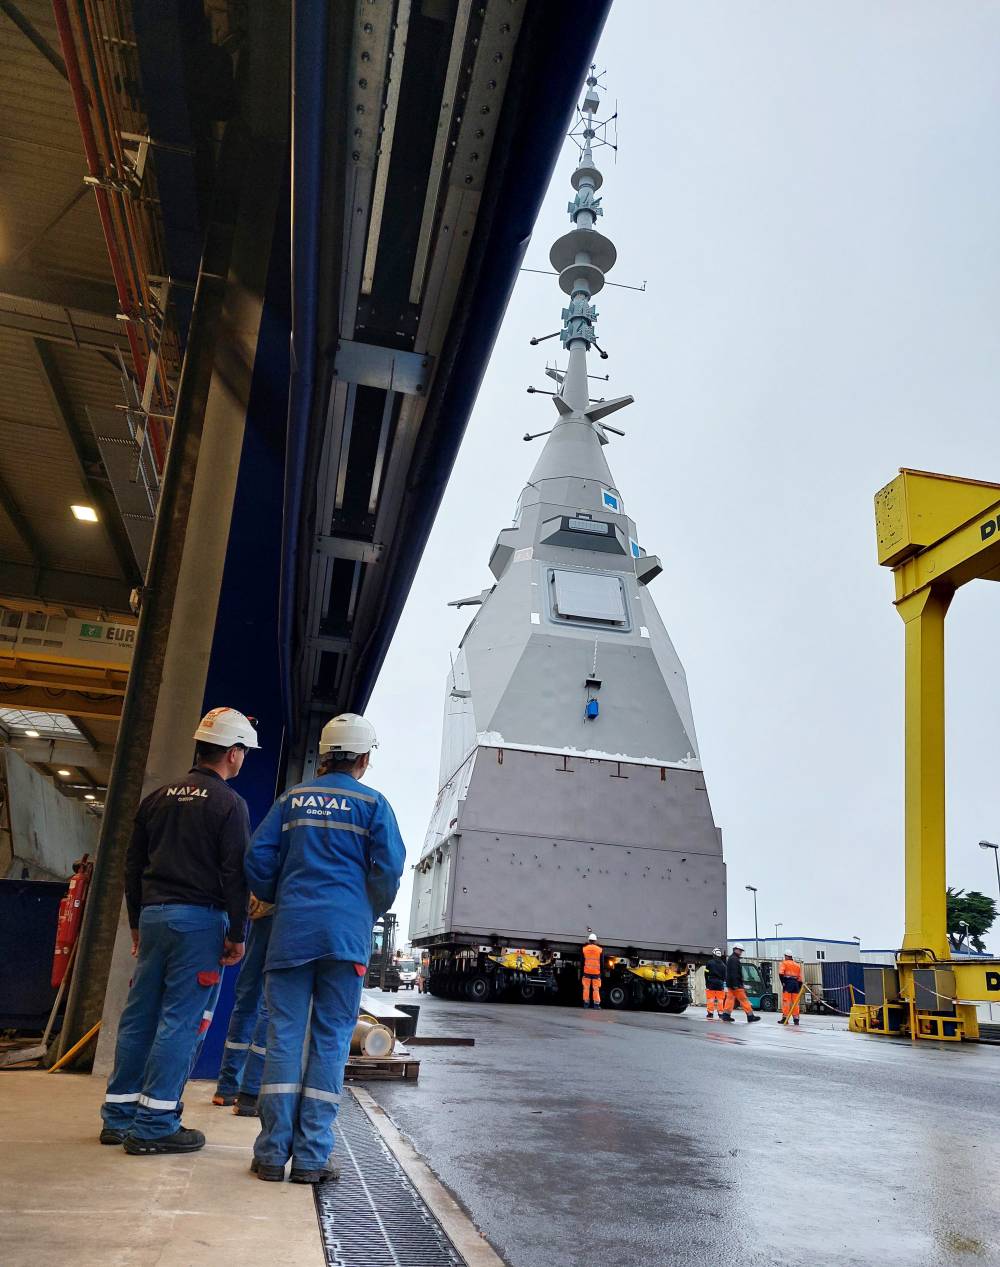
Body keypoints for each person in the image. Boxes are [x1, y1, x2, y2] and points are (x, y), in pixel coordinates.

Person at [244, 713, 406, 1184]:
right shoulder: (374, 804)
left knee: (284, 1039)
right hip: (345, 939)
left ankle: (272, 1155)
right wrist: (363, 909)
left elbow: (258, 857)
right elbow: (389, 869)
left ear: (323, 755)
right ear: (364, 757)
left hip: (291, 933)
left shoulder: (291, 800)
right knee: (332, 1041)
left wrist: (279, 894)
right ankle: (312, 1159)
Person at [100, 707, 258, 1154]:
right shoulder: (230, 804)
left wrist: (136, 924)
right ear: (232, 752)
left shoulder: (157, 798)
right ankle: (154, 1125)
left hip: (153, 918)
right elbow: (235, 874)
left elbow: (132, 867)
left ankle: (119, 1117)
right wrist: (238, 933)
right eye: (243, 751)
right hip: (199, 924)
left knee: (139, 1016)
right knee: (179, 1021)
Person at [212, 898, 274, 1115]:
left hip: (262, 914)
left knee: (247, 999)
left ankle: (226, 1088)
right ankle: (250, 1093)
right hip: (287, 918)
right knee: (271, 1004)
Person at [720, 944, 760, 1024]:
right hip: (736, 984)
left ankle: (726, 1015)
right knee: (744, 1000)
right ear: (735, 949)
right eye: (740, 950)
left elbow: (730, 973)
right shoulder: (734, 959)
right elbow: (734, 973)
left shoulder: (731, 958)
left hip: (731, 984)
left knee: (730, 999)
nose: (741, 952)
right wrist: (736, 984)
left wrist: (732, 983)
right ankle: (750, 1016)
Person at [778, 950, 803, 1025]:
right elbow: (800, 978)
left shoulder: (784, 963)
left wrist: (783, 982)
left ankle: (785, 1018)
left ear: (786, 956)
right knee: (795, 1003)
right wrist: (799, 987)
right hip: (796, 985)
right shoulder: (797, 965)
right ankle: (796, 1019)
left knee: (786, 1001)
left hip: (788, 984)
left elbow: (781, 973)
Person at [704, 947, 727, 1019]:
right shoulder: (723, 965)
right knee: (720, 999)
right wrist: (722, 982)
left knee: (710, 999)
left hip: (711, 982)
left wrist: (707, 982)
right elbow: (724, 976)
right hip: (720, 983)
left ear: (714, 955)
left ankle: (710, 1013)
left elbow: (706, 973)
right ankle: (720, 1013)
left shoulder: (709, 962)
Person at [581, 932, 602, 1008]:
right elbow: (601, 962)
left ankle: (586, 1003)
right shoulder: (599, 950)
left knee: (586, 988)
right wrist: (600, 972)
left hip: (587, 971)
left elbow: (582, 961)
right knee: (596, 989)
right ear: (595, 941)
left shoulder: (584, 949)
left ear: (589, 940)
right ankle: (596, 1004)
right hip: (596, 972)